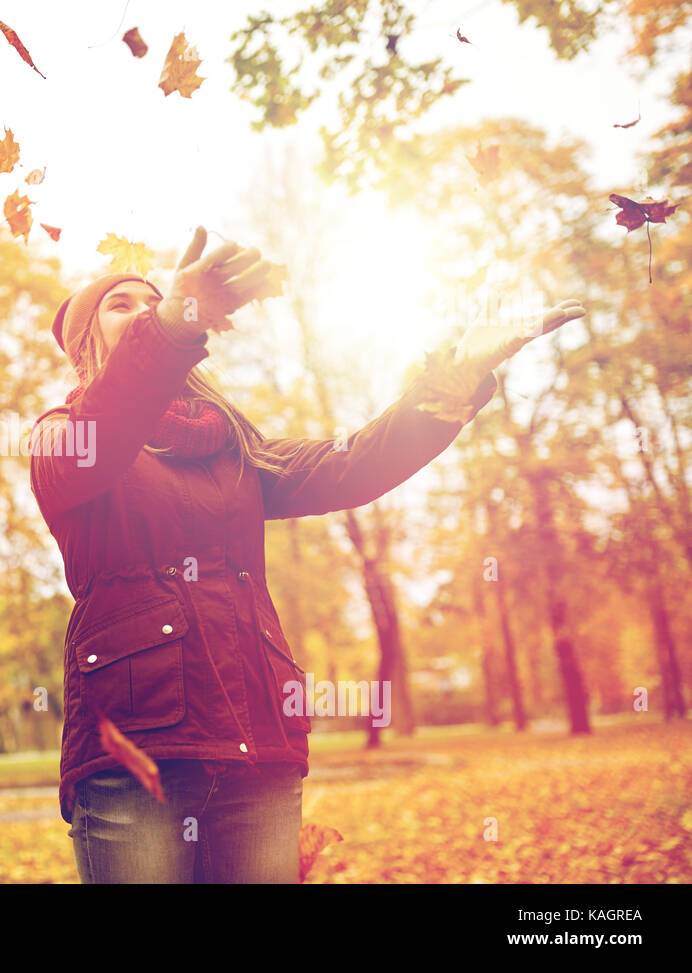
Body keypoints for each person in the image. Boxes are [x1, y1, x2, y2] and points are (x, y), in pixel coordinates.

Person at [29, 227, 585, 883]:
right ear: (83, 344)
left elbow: (351, 463)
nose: (144, 310)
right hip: (135, 754)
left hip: (258, 750)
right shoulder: (64, 439)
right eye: (119, 304)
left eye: (153, 301)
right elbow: (111, 423)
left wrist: (458, 374)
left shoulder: (234, 447)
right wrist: (172, 321)